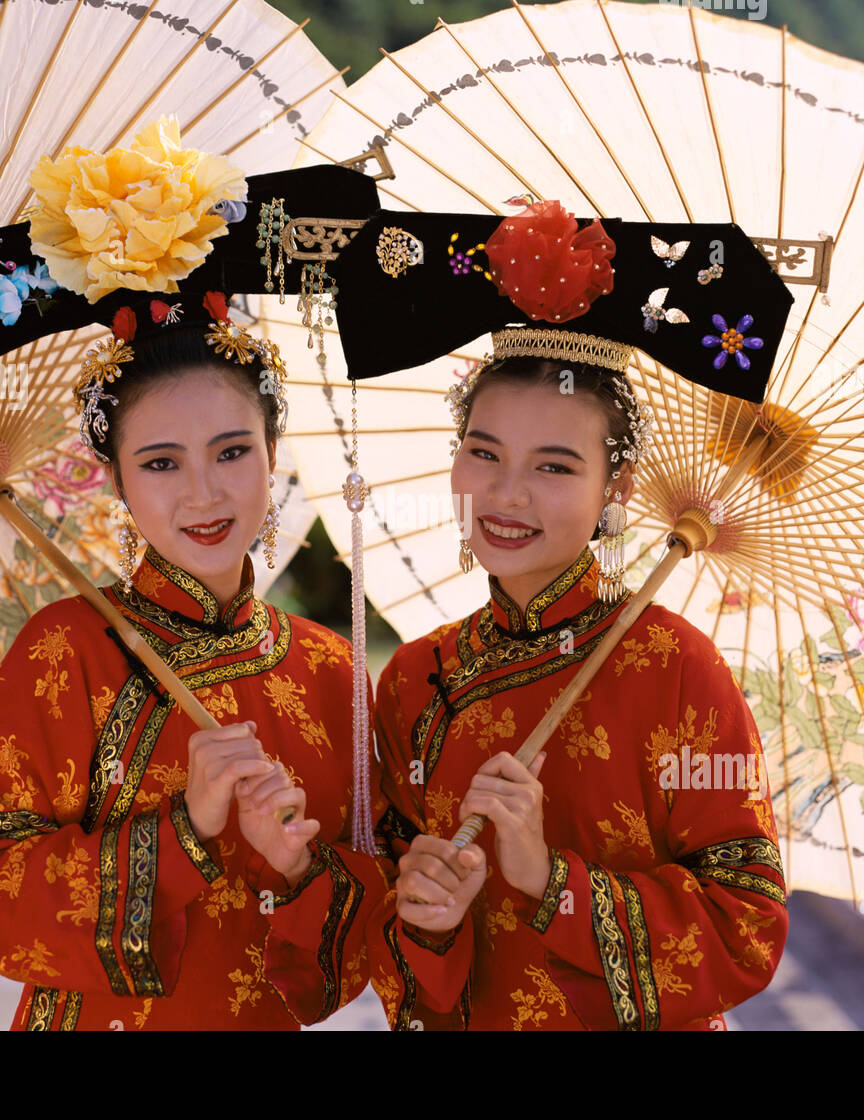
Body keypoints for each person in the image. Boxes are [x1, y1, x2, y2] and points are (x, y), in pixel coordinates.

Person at [0, 129, 389, 1029]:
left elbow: (350, 970)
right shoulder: (65, 650)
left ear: (274, 455)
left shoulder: (331, 672)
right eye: (163, 464)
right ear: (118, 481)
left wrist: (297, 871)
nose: (205, 494)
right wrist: (184, 837)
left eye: (232, 452)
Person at [334, 202, 793, 1029]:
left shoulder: (679, 671)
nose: (506, 496)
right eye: (484, 453)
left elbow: (746, 929)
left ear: (613, 491)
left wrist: (550, 879)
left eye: (554, 466)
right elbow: (388, 934)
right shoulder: (414, 678)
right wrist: (425, 922)